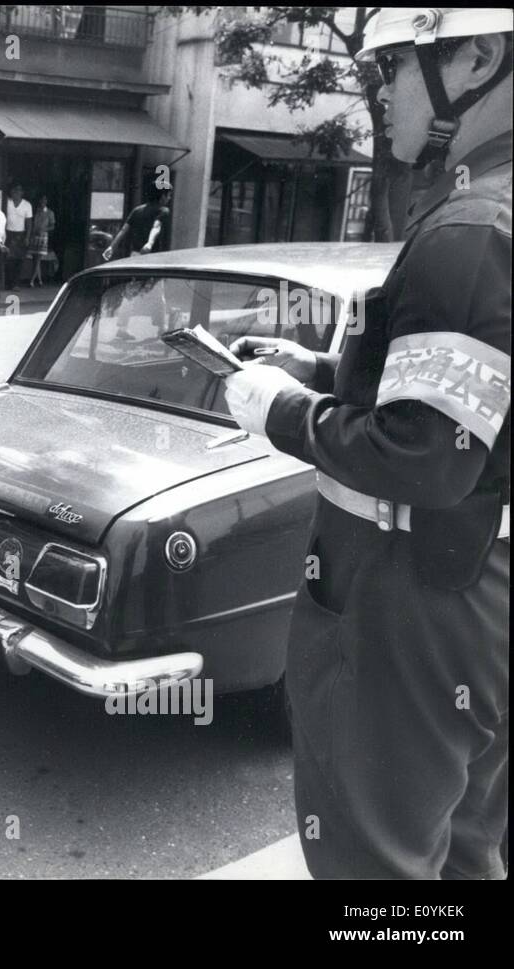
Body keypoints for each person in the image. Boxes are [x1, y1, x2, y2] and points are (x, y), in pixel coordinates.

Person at [223, 7, 511, 879]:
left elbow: (424, 454)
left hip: (408, 600)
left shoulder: (470, 228)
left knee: (373, 869)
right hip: (476, 594)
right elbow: (469, 399)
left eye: (394, 67)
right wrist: (314, 365)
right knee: (466, 852)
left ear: (479, 58)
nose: (379, 91)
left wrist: (280, 411)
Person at [103, 187, 172, 261]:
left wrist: (112, 247)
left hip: (135, 255)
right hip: (153, 255)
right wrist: (149, 243)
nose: (169, 198)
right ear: (162, 196)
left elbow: (123, 230)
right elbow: (156, 227)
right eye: (168, 195)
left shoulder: (137, 210)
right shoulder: (163, 211)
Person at [3, 184, 33, 289]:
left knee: (19, 260)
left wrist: (27, 237)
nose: (16, 193)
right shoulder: (7, 202)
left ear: (22, 193)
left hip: (21, 234)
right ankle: (7, 283)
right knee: (8, 259)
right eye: (14, 191)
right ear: (11, 192)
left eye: (18, 191)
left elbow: (29, 223)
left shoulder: (27, 205)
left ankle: (15, 283)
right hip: (8, 233)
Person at [27, 195, 57, 286]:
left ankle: (32, 280)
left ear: (46, 201)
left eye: (44, 200)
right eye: (41, 200)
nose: (42, 202)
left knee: (38, 259)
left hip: (43, 236)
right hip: (34, 236)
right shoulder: (36, 211)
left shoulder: (50, 213)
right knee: (35, 259)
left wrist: (44, 230)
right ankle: (39, 281)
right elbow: (32, 222)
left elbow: (52, 226)